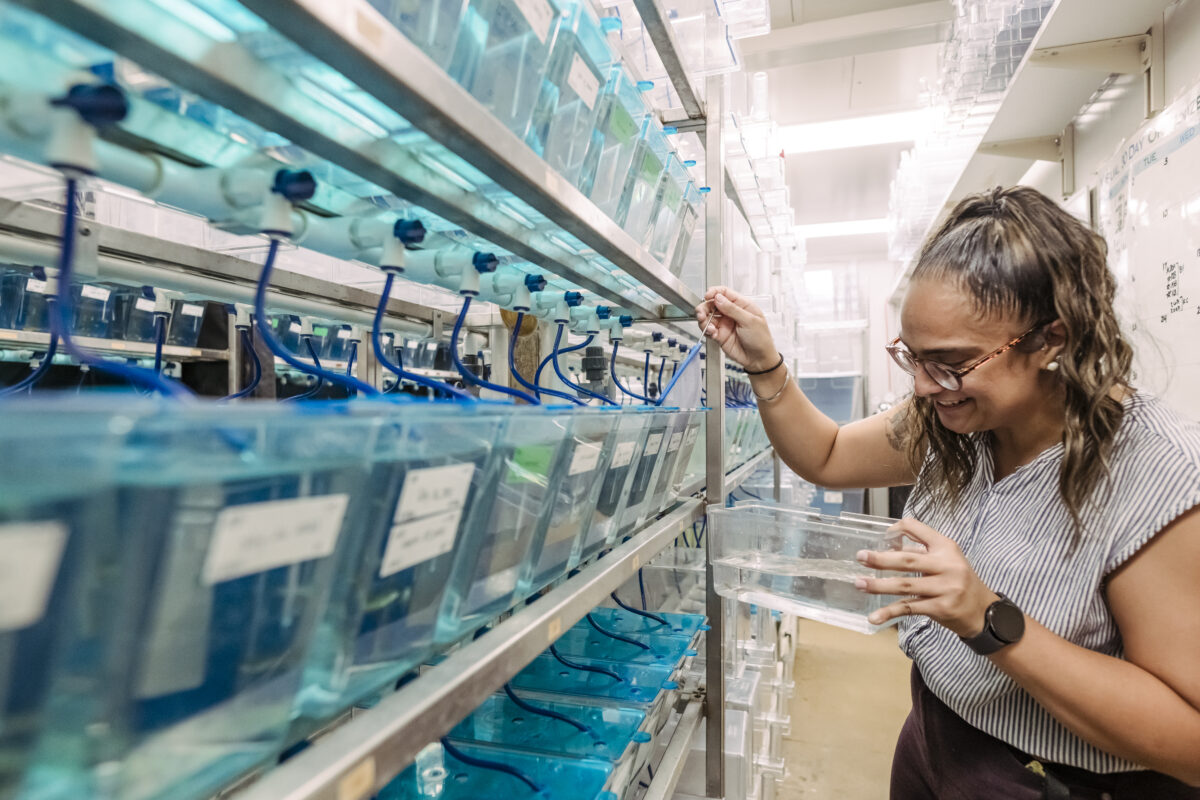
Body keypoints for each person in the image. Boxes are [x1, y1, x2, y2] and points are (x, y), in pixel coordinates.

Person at [696, 185, 1200, 799]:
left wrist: (988, 620)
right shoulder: (953, 422)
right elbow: (826, 455)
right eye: (912, 357)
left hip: (1052, 781)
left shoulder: (1151, 471)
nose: (925, 385)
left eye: (950, 362)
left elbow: (1190, 739)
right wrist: (764, 364)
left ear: (1051, 340)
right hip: (936, 737)